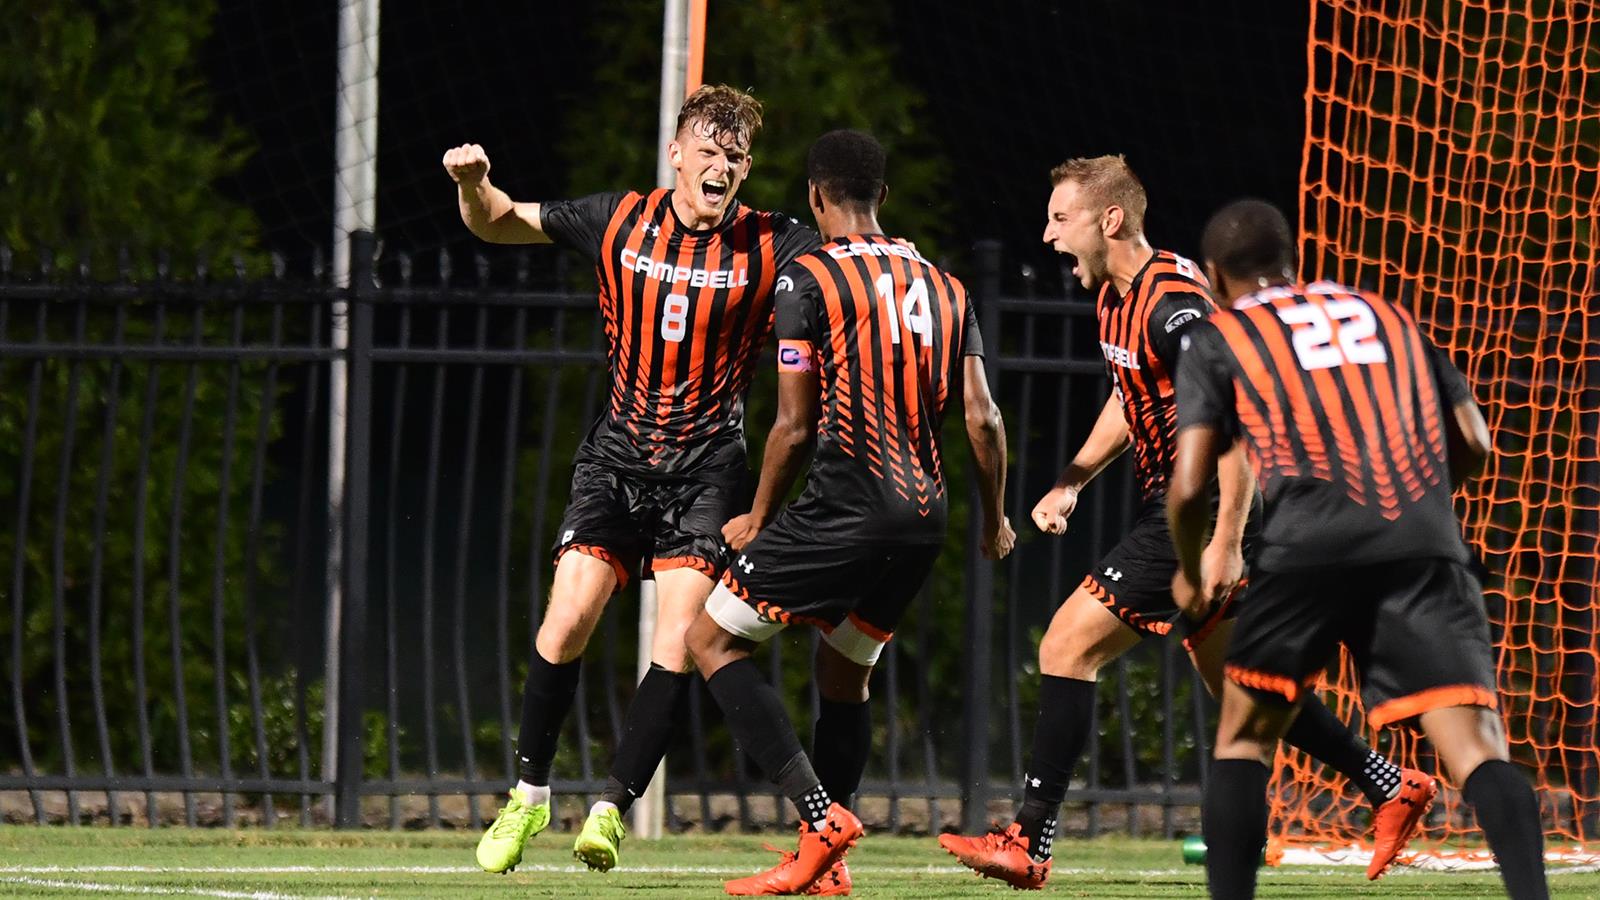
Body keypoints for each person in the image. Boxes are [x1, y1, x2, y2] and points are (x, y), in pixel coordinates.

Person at [940, 157, 1431, 890]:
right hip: (1183, 508)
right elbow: (1128, 394)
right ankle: (1390, 784)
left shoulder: (1174, 305)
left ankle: (1028, 839)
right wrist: (1072, 480)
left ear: (1110, 220)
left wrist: (1224, 542)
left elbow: (1236, 419)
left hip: (1201, 511)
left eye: (1061, 218)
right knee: (1243, 689)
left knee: (1067, 646)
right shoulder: (1116, 298)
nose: (1047, 235)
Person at [441, 84, 820, 875]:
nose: (722, 167)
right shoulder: (619, 219)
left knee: (675, 642)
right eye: (709, 151)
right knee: (567, 620)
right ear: (676, 154)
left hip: (707, 471)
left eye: (736, 156)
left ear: (748, 169)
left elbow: (847, 260)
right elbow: (497, 219)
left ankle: (611, 808)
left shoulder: (772, 241)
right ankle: (528, 795)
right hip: (617, 459)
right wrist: (474, 184)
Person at [1168, 198, 1549, 900]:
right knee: (1476, 748)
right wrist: (1422, 509)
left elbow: (1189, 486)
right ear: (1291, 261)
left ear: (1214, 276)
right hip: (1420, 546)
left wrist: (1191, 573)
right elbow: (1474, 440)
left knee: (1244, 738)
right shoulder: (1386, 315)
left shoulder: (1221, 336)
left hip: (1304, 549)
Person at [683, 129, 1015, 896]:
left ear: (815, 196)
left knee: (710, 640)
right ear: (883, 197)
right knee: (843, 674)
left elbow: (794, 426)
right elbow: (984, 418)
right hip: (924, 520)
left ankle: (820, 818)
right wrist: (994, 517)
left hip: (846, 507)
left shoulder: (808, 279)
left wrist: (759, 517)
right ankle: (826, 867)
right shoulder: (947, 287)